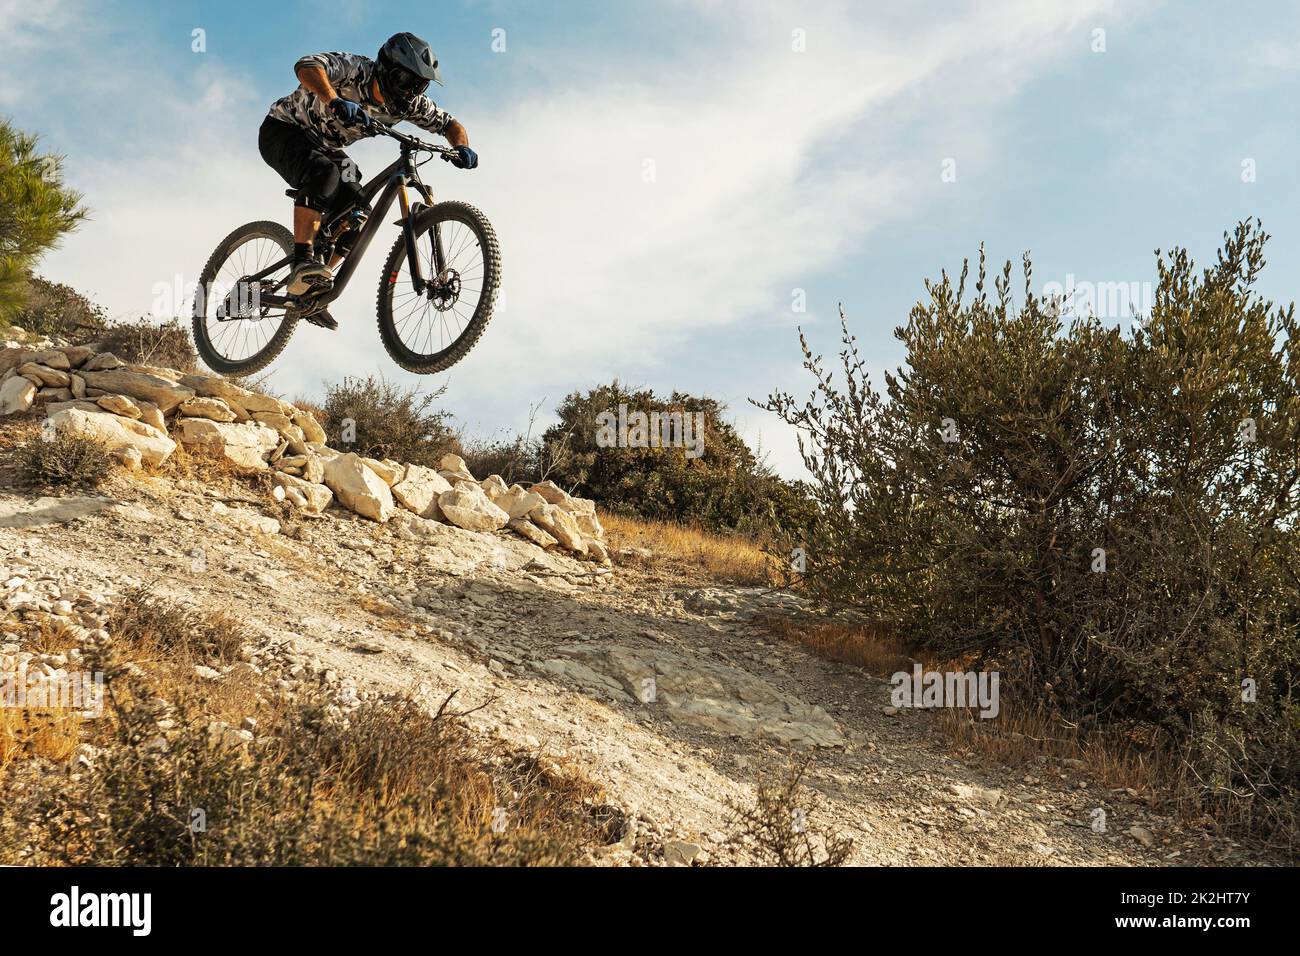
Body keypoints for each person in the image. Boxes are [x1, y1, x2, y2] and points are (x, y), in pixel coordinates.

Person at [258, 31, 477, 303]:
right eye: (407, 81)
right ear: (387, 69)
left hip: (328, 147)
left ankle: (317, 286)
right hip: (284, 130)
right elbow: (306, 66)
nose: (411, 91)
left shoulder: (408, 105)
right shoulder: (355, 70)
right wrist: (333, 99)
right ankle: (302, 263)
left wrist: (461, 147)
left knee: (359, 209)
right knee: (324, 174)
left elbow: (450, 124)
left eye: (419, 86)